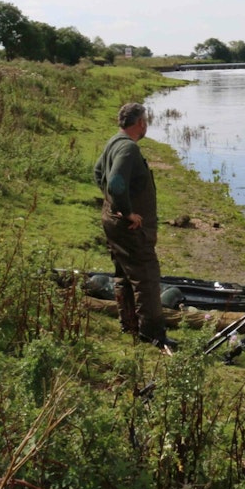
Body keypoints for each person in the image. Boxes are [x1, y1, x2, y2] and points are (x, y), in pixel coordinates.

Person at [93, 102, 176, 352]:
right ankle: (153, 334)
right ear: (140, 123)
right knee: (147, 277)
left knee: (123, 274)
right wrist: (127, 212)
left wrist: (112, 205)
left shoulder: (114, 141)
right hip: (129, 227)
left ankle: (129, 324)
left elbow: (99, 172)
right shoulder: (128, 148)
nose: (146, 125)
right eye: (146, 121)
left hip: (113, 221)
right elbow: (115, 183)